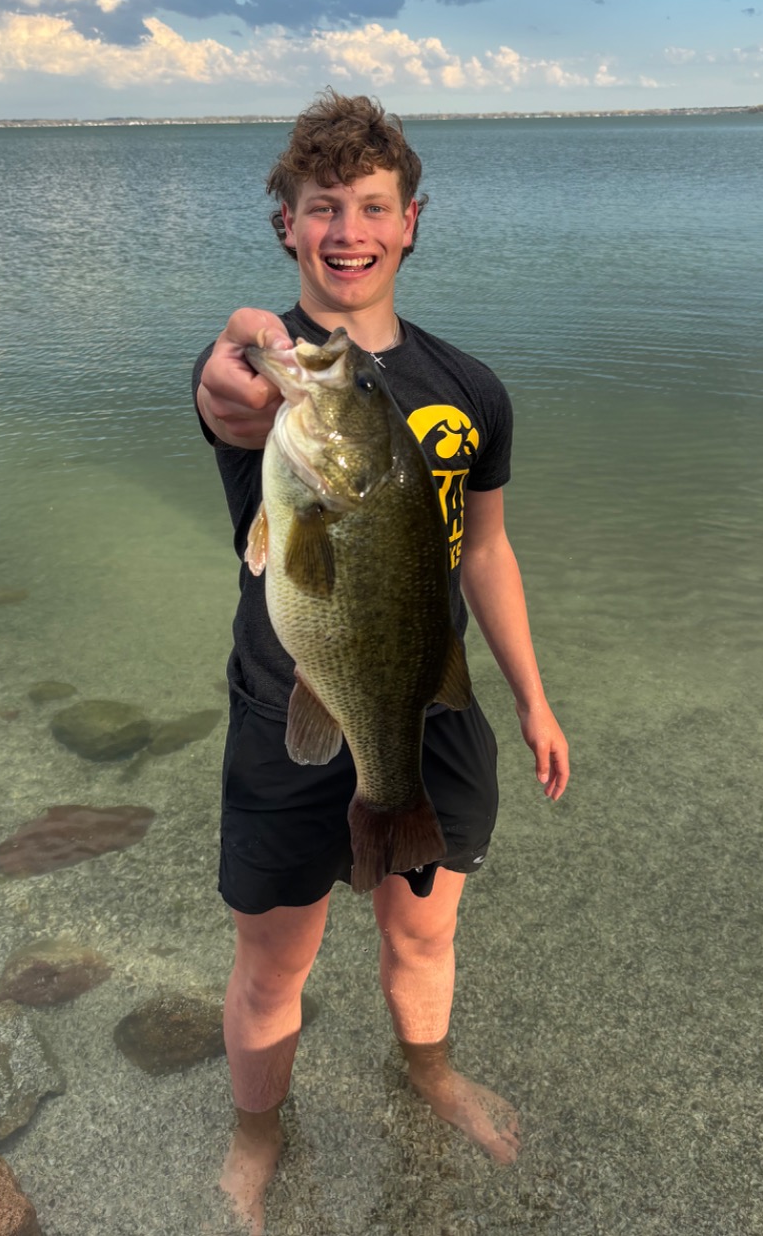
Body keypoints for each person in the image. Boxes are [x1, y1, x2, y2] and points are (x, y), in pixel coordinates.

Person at [193, 89, 569, 1233]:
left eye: (371, 206)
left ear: (411, 221)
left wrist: (535, 700)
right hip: (291, 700)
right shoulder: (275, 385)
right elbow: (233, 390)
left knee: (424, 930)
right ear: (288, 226)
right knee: (274, 962)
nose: (347, 230)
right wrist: (240, 369)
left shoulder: (473, 390)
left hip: (430, 704)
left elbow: (490, 552)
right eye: (321, 209)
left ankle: (429, 1074)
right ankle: (258, 1133)